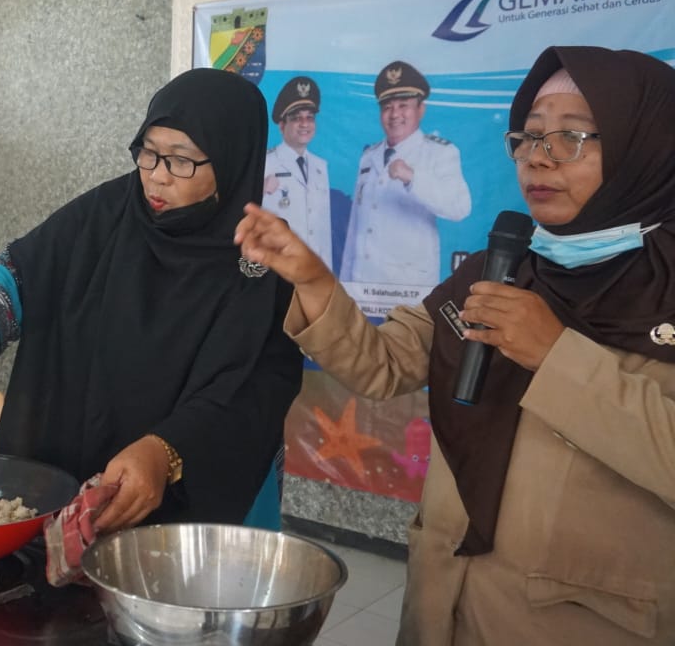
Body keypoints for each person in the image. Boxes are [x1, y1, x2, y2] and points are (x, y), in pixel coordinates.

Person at [234, 46, 675, 645]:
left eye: (571, 137)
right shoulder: (505, 268)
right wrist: (313, 280)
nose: (538, 158)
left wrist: (556, 356)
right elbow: (385, 364)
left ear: (645, 148)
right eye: (529, 136)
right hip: (443, 608)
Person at [0, 68, 302, 535]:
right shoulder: (108, 212)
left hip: (194, 520)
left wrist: (165, 450)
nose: (157, 177)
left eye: (181, 161)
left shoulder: (261, 261)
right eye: (149, 153)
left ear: (232, 161)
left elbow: (252, 395)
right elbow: (25, 268)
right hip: (70, 475)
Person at [340, 60, 471, 288]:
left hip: (408, 286)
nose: (394, 114)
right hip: (363, 283)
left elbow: (459, 208)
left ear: (421, 109)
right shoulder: (369, 156)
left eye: (403, 105)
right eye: (387, 107)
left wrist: (413, 178)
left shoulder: (439, 152)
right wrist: (345, 281)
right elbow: (355, 226)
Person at [262, 75, 332, 267]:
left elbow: (324, 231)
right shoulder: (266, 164)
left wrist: (327, 273)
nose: (304, 124)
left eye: (309, 118)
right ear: (282, 125)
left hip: (315, 269)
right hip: (279, 267)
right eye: (296, 118)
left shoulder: (320, 167)